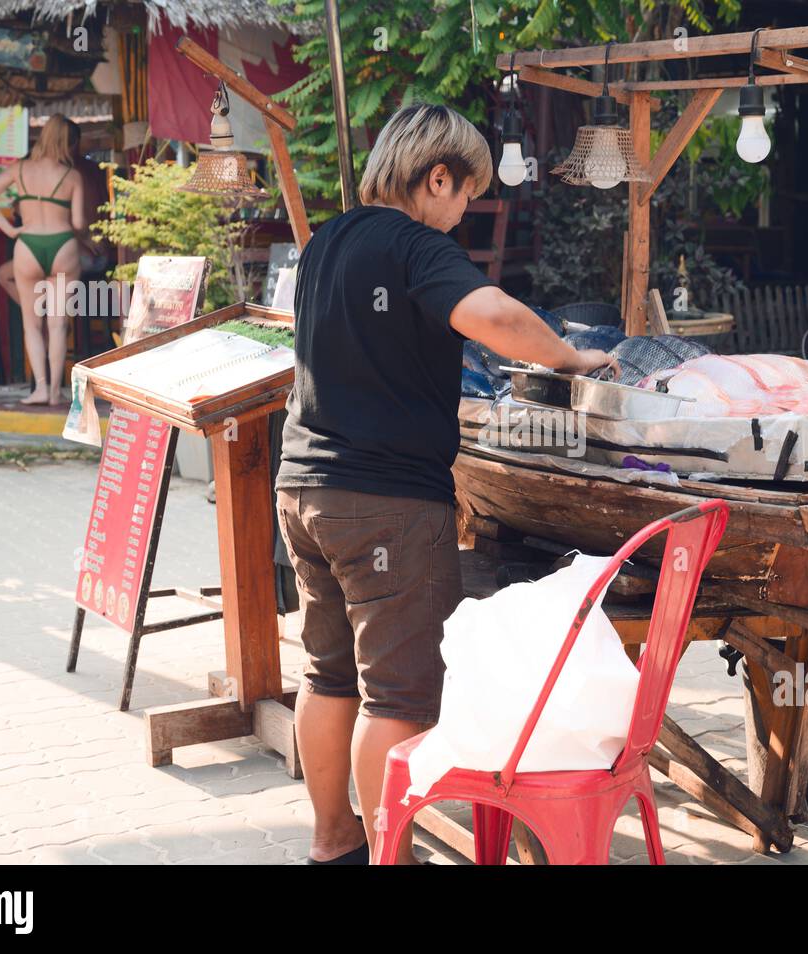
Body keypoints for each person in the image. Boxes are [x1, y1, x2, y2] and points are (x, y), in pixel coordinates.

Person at [276, 103, 618, 865]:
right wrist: (572, 359)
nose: (466, 213)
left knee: (328, 675)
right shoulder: (414, 244)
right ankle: (389, 856)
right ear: (438, 177)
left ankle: (335, 847)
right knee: (397, 695)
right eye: (467, 194)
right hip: (385, 506)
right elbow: (491, 314)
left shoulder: (327, 241)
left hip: (303, 489)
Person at [0, 114, 97, 405]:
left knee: (31, 325)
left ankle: (41, 388)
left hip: (27, 245)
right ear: (67, 142)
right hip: (63, 245)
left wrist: (10, 230)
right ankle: (57, 392)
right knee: (57, 324)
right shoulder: (72, 176)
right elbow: (80, 221)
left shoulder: (19, 169)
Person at [0, 118, 110, 308]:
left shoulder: (65, 173)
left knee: (10, 275)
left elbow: (69, 221)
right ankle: (52, 322)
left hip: (80, 253)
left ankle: (44, 320)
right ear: (76, 143)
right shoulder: (91, 171)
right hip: (98, 253)